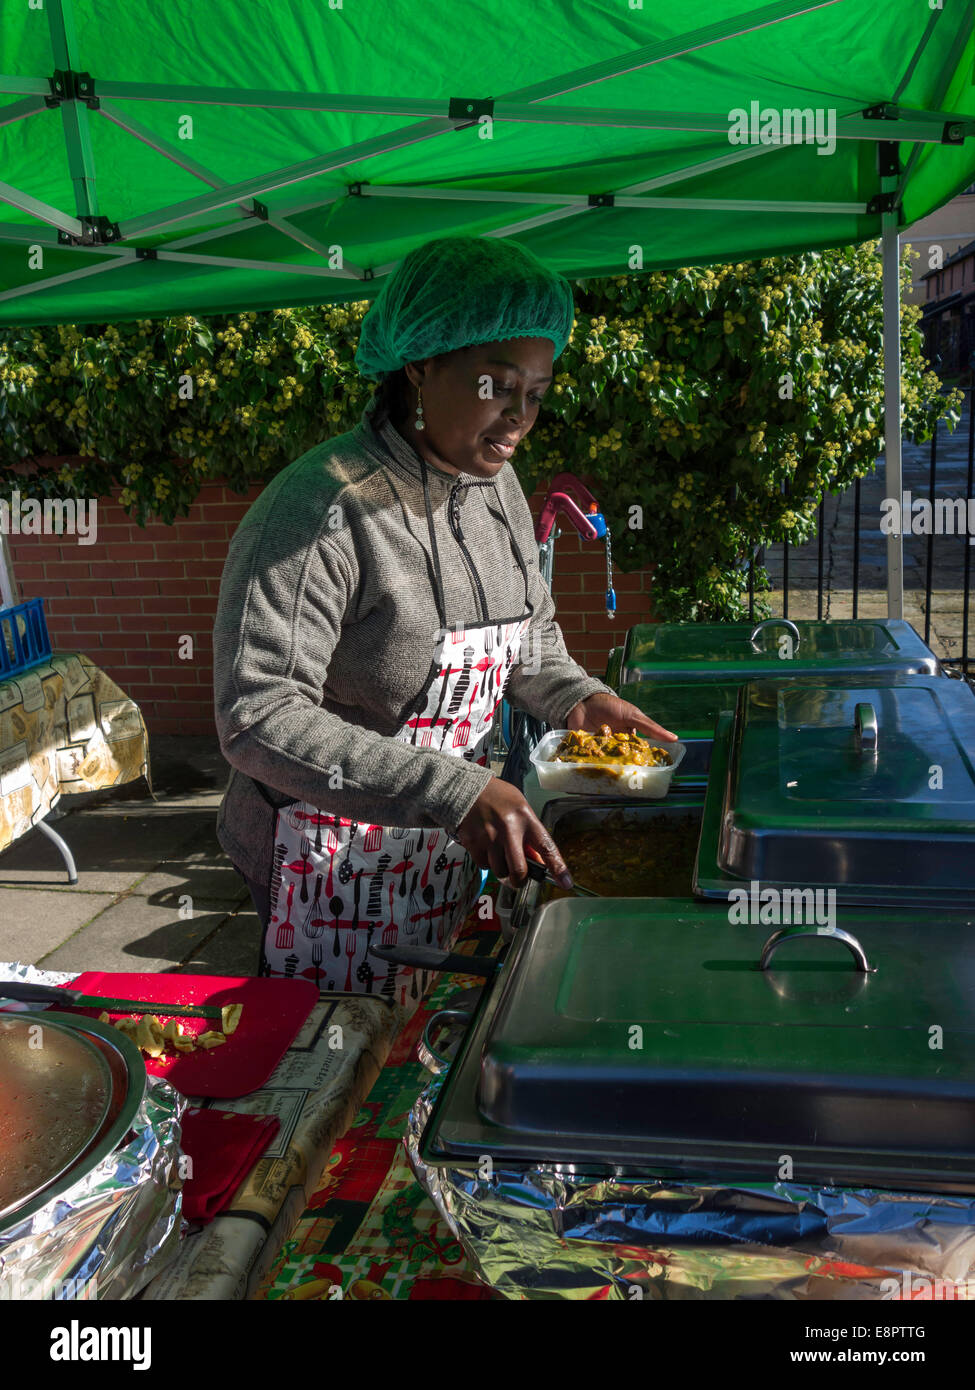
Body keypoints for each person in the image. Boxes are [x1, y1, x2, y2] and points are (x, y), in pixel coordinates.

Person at [212, 235, 675, 1010]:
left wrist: (575, 698)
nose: (517, 420)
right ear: (419, 365)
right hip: (326, 865)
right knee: (340, 1067)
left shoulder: (492, 481)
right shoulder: (322, 508)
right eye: (497, 384)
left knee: (423, 1037)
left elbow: (527, 634)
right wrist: (450, 790)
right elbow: (255, 713)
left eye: (536, 392)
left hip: (444, 846)